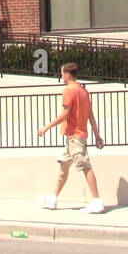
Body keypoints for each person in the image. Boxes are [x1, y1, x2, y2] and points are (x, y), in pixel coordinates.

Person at [37, 62, 105, 213]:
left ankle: (97, 201)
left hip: (75, 137)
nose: (61, 76)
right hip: (74, 137)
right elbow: (90, 115)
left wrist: (46, 127)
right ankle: (53, 199)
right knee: (63, 166)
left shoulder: (69, 90)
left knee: (85, 166)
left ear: (68, 74)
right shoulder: (83, 91)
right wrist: (96, 134)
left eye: (62, 73)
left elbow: (65, 114)